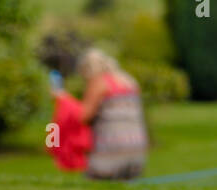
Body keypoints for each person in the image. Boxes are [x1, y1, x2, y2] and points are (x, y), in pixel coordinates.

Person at [47, 48, 148, 181]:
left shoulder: (99, 82)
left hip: (111, 149)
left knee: (94, 182)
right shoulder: (128, 81)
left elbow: (83, 116)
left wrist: (64, 98)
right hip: (137, 148)